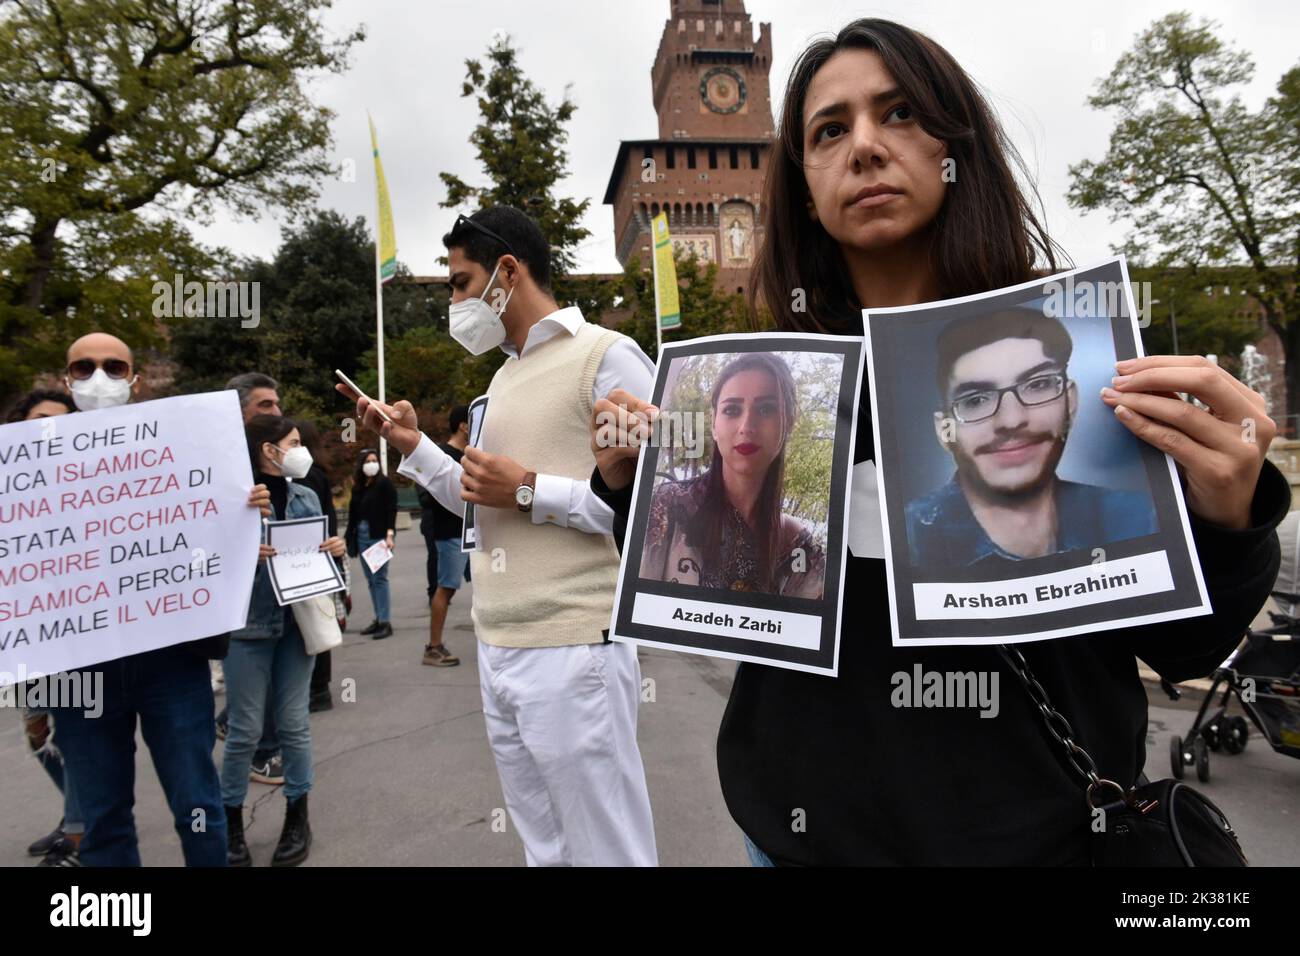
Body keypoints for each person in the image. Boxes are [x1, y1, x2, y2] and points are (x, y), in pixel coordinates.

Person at [589, 18, 1287, 865]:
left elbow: (1184, 647)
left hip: (1044, 844)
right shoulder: (776, 388)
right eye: (830, 130)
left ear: (959, 146)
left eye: (903, 114)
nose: (867, 147)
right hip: (801, 844)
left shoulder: (1072, 364)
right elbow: (716, 594)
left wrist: (1230, 514)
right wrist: (636, 486)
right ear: (802, 185)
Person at [343, 205, 658, 866]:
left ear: (506, 272)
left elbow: (653, 511)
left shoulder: (606, 355)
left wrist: (526, 487)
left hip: (573, 643)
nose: (453, 300)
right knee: (545, 847)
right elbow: (481, 505)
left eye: (461, 283)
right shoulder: (502, 378)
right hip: (500, 643)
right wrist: (414, 446)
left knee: (605, 850)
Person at [47, 333, 271, 866]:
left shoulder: (179, 449)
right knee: (101, 817)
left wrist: (239, 512)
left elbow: (203, 530)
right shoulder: (32, 465)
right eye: (83, 367)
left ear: (136, 379)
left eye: (113, 366)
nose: (98, 378)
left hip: (171, 658)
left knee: (196, 803)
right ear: (66, 379)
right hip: (78, 668)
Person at [905, 311, 1157, 566]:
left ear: (1070, 401)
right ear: (944, 431)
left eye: (1037, 385)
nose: (1011, 421)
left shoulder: (1141, 518)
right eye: (975, 400)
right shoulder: (904, 541)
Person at [222, 415, 345, 867]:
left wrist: (335, 551)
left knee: (294, 726)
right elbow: (204, 562)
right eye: (292, 443)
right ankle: (229, 822)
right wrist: (239, 547)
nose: (301, 450)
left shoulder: (306, 494)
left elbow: (318, 557)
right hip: (247, 628)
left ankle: (298, 816)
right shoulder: (232, 498)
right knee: (244, 731)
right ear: (266, 449)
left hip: (296, 625)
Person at [640, 352, 825, 598]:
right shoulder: (668, 506)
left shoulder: (799, 547)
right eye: (732, 410)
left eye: (765, 409)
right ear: (714, 424)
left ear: (788, 422)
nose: (747, 426)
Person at [6, 388, 83, 865]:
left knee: (73, 734)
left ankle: (81, 831)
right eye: (39, 420)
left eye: (61, 421)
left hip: (76, 636)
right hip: (24, 635)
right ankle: (73, 815)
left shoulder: (93, 481)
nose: (48, 430)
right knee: (37, 732)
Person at [217, 372, 287, 784]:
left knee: (276, 686)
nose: (276, 412)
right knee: (252, 684)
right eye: (265, 405)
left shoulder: (281, 462)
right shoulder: (217, 467)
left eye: (277, 404)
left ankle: (253, 734)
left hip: (283, 597)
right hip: (239, 607)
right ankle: (258, 752)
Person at [295, 419, 346, 708]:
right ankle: (319, 688)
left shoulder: (305, 476)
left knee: (308, 623)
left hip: (307, 557)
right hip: (323, 554)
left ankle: (316, 689)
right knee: (317, 620)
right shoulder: (320, 473)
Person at [416, 404, 470, 666]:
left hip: (472, 533)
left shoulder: (470, 454)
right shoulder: (442, 455)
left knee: (484, 583)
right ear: (463, 425)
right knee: (445, 589)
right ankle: (433, 647)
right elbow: (427, 496)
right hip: (449, 533)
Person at [345, 448, 397, 640]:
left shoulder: (384, 484)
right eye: (368, 461)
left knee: (380, 579)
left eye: (374, 460)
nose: (372, 463)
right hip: (361, 534)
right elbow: (353, 513)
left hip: (379, 535)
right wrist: (349, 536)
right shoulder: (359, 486)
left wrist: (390, 535)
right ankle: (378, 618)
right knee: (370, 579)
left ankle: (385, 621)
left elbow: (392, 510)